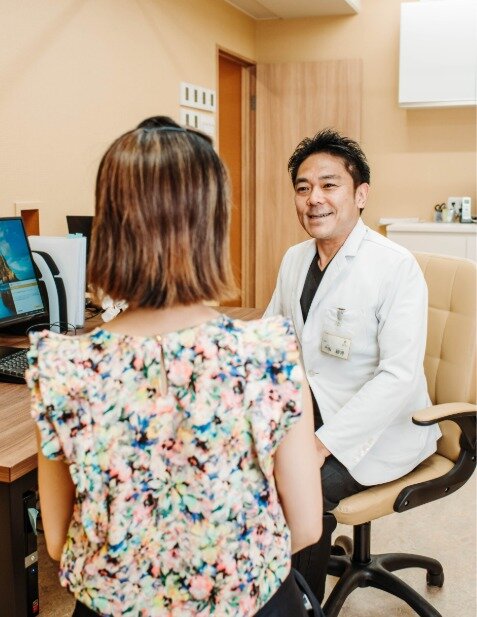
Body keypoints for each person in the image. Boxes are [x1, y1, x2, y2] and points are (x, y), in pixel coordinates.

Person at [27, 122, 324, 616]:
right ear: (212, 225)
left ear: (110, 229)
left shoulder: (61, 366)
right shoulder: (269, 352)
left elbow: (56, 541)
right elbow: (307, 526)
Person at [264, 128, 440, 603]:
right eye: (303, 188)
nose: (314, 199)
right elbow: (272, 341)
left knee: (305, 485)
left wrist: (322, 443)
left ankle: (301, 606)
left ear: (360, 195)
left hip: (383, 429)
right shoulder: (295, 259)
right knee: (246, 464)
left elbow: (399, 377)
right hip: (316, 412)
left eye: (329, 185)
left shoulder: (394, 266)